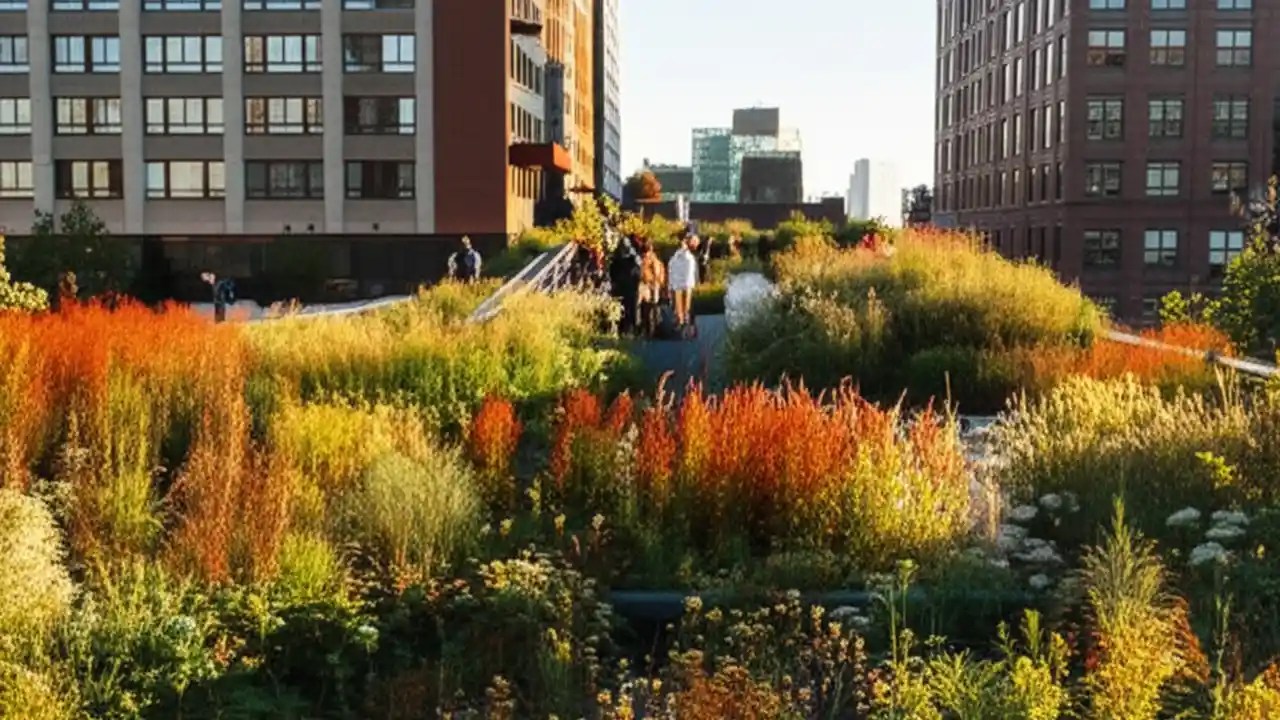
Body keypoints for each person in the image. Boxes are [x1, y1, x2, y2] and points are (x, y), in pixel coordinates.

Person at [608, 236, 642, 334]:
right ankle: (623, 328)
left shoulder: (633, 258)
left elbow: (638, 271)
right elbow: (612, 272)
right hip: (622, 287)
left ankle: (631, 328)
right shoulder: (616, 259)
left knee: (631, 309)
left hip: (630, 287)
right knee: (622, 309)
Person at [667, 233, 699, 330]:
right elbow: (671, 268)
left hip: (687, 283)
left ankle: (686, 321)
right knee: (678, 304)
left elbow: (694, 271)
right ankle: (681, 321)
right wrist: (670, 284)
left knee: (687, 305)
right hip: (678, 283)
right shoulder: (676, 255)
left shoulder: (690, 256)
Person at [637, 237, 665, 338]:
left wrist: (654, 286)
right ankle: (648, 330)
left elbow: (657, 275)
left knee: (649, 308)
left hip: (650, 286)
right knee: (646, 309)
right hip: (648, 285)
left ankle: (651, 330)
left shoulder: (652, 260)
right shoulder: (647, 259)